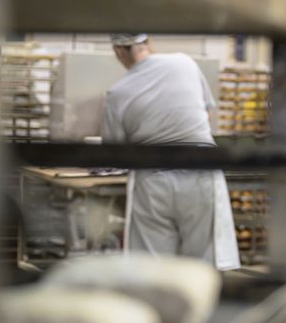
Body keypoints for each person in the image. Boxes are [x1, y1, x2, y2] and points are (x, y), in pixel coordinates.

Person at [100, 33, 240, 272]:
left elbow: (115, 152)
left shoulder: (117, 93)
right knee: (202, 268)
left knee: (153, 268)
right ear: (148, 43)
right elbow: (206, 115)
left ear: (119, 51)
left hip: (153, 180)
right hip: (199, 169)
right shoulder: (184, 63)